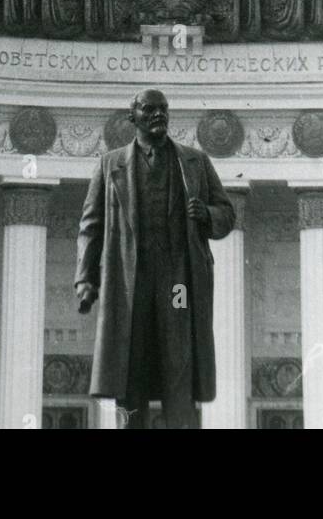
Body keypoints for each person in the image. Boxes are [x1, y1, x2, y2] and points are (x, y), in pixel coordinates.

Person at [75, 89, 236, 429]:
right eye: (149, 109)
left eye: (163, 109)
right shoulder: (110, 164)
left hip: (177, 284)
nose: (158, 115)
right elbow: (91, 226)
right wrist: (85, 278)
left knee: (179, 362)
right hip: (132, 285)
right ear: (133, 116)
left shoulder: (193, 161)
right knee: (131, 369)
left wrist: (206, 213)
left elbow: (226, 214)